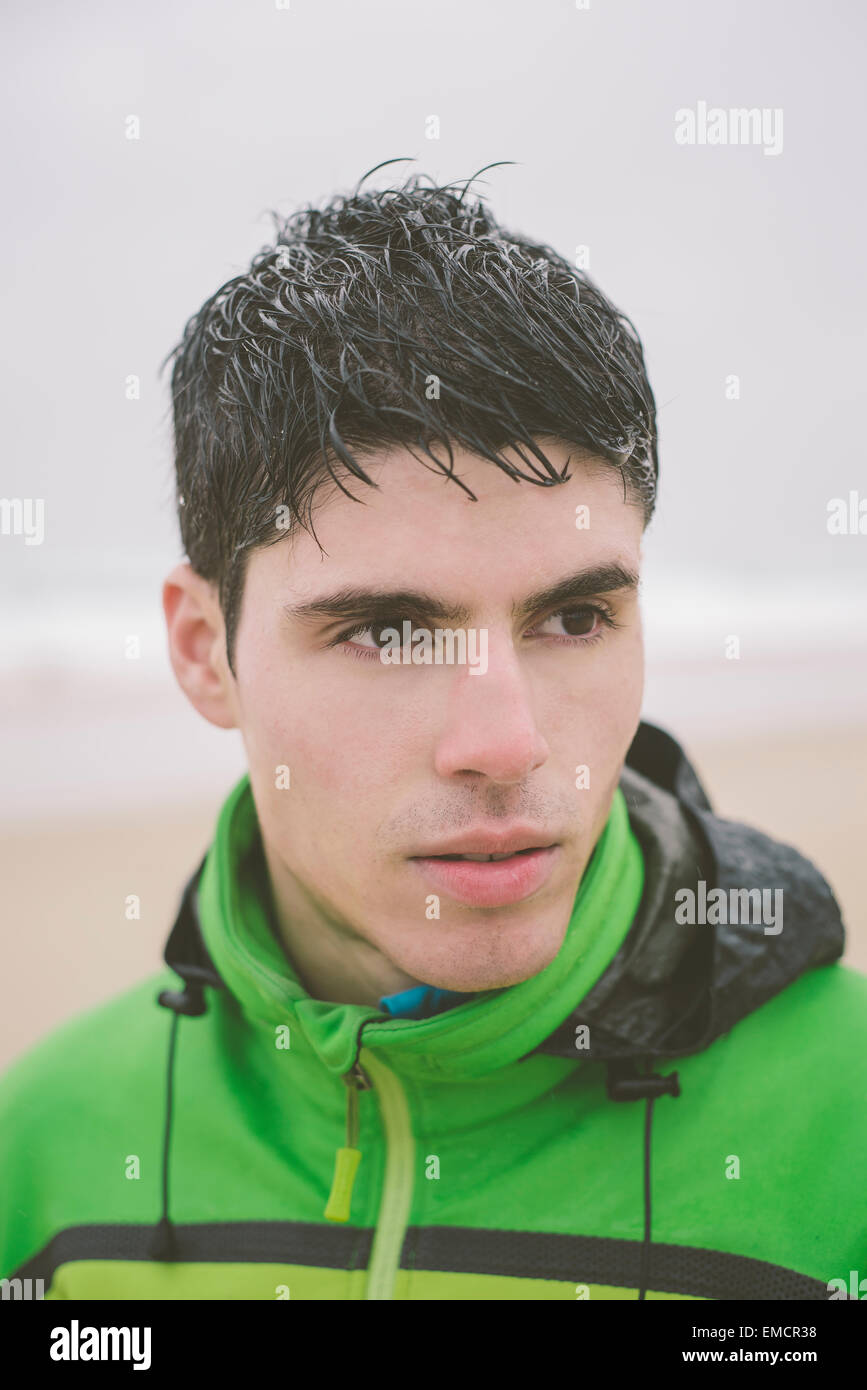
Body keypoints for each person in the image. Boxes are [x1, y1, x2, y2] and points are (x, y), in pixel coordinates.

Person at [1, 166, 864, 1303]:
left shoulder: (844, 1126)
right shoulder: (48, 1153)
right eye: (391, 631)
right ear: (207, 650)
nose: (505, 744)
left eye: (573, 615)